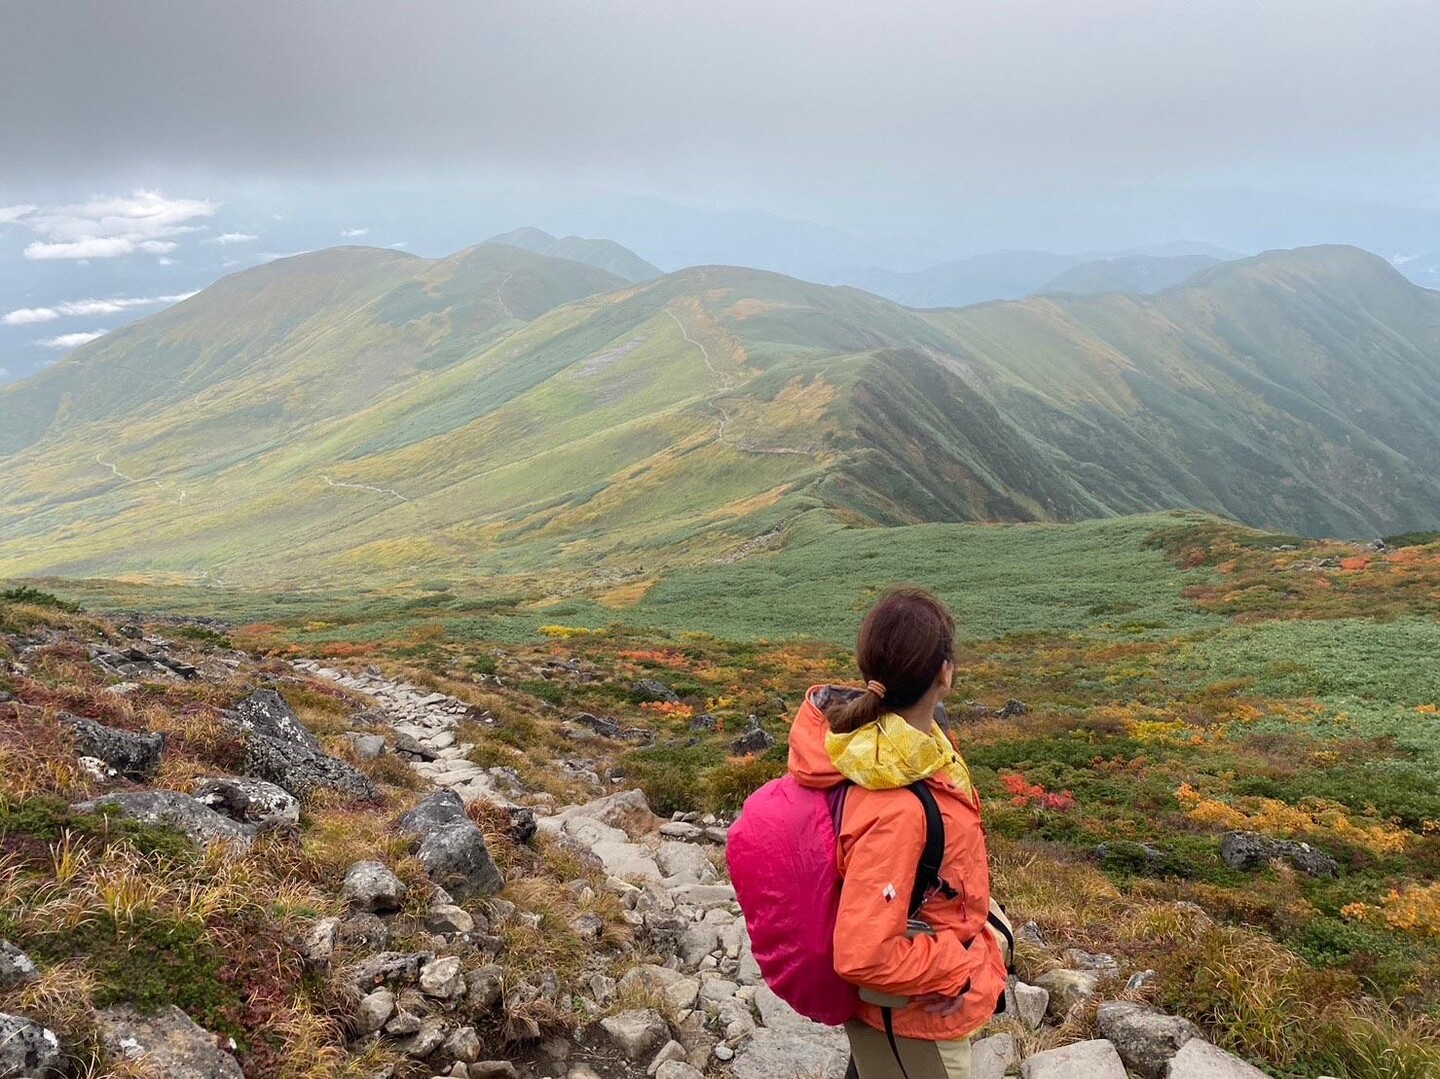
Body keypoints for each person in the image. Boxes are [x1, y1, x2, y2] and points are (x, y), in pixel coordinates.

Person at [787, 587, 1008, 1079]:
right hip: (916, 1022)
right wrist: (959, 968)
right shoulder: (899, 805)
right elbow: (862, 955)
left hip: (901, 1008)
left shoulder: (898, 746)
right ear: (945, 673)